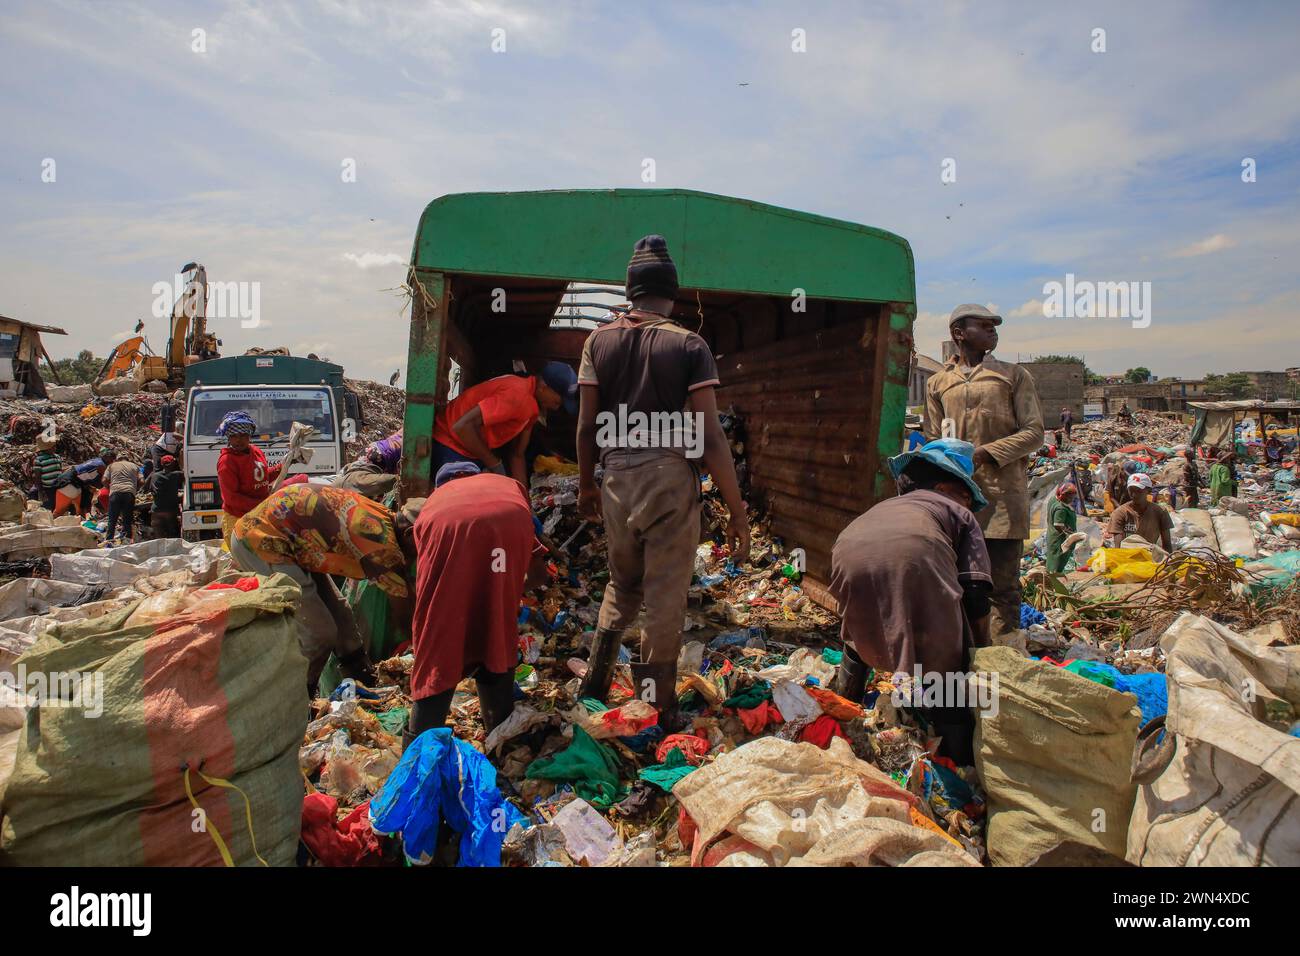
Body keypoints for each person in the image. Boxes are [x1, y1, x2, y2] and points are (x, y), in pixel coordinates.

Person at [575, 235, 750, 731]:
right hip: (668, 477)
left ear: (631, 290)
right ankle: (656, 706)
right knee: (664, 595)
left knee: (622, 583)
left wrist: (588, 485)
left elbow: (586, 425)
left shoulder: (597, 341)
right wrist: (736, 511)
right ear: (672, 293)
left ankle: (595, 681)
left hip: (615, 478)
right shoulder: (689, 344)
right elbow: (711, 434)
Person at [829, 438, 992, 765]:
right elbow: (975, 590)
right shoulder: (957, 512)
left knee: (858, 632)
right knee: (947, 669)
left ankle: (838, 717)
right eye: (965, 495)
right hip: (916, 553)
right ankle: (958, 761)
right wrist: (979, 653)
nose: (968, 504)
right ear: (946, 486)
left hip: (845, 549)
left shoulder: (889, 506)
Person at [406, 463, 550, 745]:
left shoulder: (434, 503)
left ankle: (419, 745)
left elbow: (427, 583)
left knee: (439, 637)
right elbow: (539, 573)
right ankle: (499, 731)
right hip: (510, 515)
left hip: (445, 526)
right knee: (497, 629)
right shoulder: (502, 485)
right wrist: (505, 594)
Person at [925, 303, 1043, 642]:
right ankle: (963, 658)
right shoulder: (938, 383)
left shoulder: (1013, 375)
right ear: (959, 333)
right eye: (984, 324)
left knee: (1001, 585)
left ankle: (1001, 663)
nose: (993, 330)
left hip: (1002, 499)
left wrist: (985, 453)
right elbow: (935, 440)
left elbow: (1034, 432)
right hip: (956, 501)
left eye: (995, 325)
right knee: (957, 582)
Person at [230, 483, 409, 696]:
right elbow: (404, 613)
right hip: (260, 540)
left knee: (343, 618)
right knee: (318, 633)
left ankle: (363, 683)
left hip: (295, 541)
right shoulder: (379, 543)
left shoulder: (385, 515)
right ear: (410, 533)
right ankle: (295, 701)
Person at [430, 364, 576, 487]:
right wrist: (494, 463)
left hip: (470, 450)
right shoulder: (518, 396)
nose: (557, 407)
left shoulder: (532, 407)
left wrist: (523, 498)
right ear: (543, 386)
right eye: (558, 401)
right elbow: (461, 427)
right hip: (449, 444)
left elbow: (517, 455)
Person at [216, 410, 281, 547]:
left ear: (249, 436)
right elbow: (231, 498)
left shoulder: (256, 452)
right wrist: (262, 505)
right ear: (228, 437)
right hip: (238, 519)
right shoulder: (227, 461)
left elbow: (262, 477)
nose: (239, 440)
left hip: (259, 516)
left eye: (243, 435)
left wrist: (286, 464)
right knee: (243, 562)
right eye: (234, 436)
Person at [1103, 473, 1173, 551]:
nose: (1134, 494)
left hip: (1149, 555)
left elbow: (1167, 544)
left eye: (1138, 491)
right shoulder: (1120, 513)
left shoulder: (1160, 512)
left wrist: (1167, 560)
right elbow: (1118, 548)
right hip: (1126, 556)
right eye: (1131, 490)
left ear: (1148, 490)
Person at [52, 450, 114, 518]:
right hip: (69, 483)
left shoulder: (95, 460)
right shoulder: (102, 466)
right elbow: (104, 481)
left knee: (79, 512)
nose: (113, 462)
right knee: (59, 512)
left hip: (72, 483)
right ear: (109, 458)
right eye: (112, 460)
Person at [1045, 482, 1087, 574]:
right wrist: (1069, 535)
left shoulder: (1054, 500)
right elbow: (1058, 525)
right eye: (1069, 497)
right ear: (1062, 495)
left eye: (1072, 497)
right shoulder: (1061, 508)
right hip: (1059, 539)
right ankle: (1052, 580)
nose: (1071, 499)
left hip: (1053, 536)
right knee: (1057, 561)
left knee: (1053, 559)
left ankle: (1051, 578)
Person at [104, 455, 141, 543]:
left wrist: (110, 489)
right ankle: (126, 542)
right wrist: (135, 489)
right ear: (128, 459)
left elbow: (104, 480)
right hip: (129, 493)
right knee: (127, 520)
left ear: (117, 459)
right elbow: (142, 481)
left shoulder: (111, 466)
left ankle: (109, 541)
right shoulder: (134, 466)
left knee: (112, 520)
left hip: (115, 493)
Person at [149, 454, 183, 538]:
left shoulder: (155, 476)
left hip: (156, 510)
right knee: (172, 535)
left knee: (159, 537)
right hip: (170, 510)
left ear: (161, 464)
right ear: (173, 464)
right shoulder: (177, 475)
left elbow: (151, 490)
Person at [33, 438, 62, 511]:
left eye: (54, 446)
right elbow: (37, 476)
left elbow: (60, 470)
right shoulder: (39, 460)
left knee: (58, 504)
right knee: (50, 505)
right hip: (48, 487)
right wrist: (40, 490)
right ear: (46, 449)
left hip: (59, 486)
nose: (55, 448)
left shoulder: (57, 457)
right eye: (53, 447)